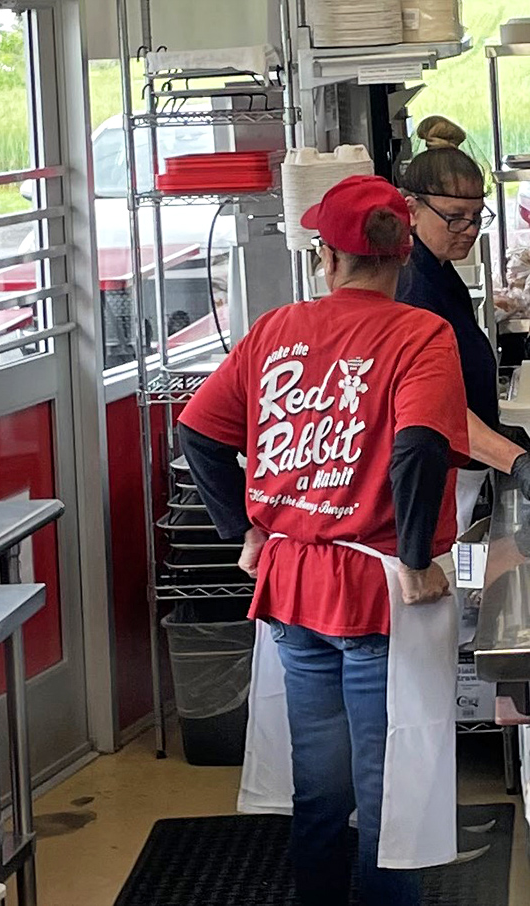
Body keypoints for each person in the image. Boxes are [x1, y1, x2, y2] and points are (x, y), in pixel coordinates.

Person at [178, 175, 470, 906]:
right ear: (401, 258)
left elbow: (197, 430)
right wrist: (412, 560)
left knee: (321, 789)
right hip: (378, 593)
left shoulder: (276, 329)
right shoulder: (417, 333)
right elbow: (420, 447)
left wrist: (242, 531)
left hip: (293, 588)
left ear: (327, 257)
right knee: (387, 794)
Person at [398, 115, 530, 532]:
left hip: (466, 462)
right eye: (455, 217)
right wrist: (514, 458)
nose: (469, 231)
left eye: (477, 216)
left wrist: (497, 427)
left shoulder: (439, 271)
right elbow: (435, 408)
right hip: (439, 477)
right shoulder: (413, 289)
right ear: (411, 209)